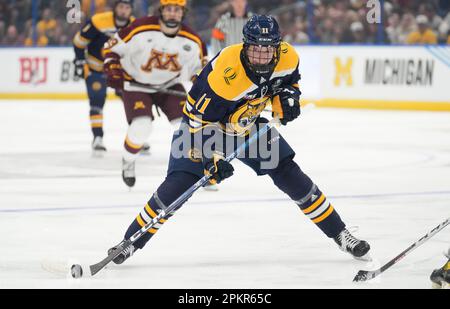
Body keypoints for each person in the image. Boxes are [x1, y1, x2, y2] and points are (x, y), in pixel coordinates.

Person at [107, 15, 372, 265]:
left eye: (268, 49)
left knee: (288, 172)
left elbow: (289, 83)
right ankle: (129, 242)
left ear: (278, 47)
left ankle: (341, 234)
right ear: (245, 45)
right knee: (179, 185)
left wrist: (289, 98)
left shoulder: (288, 57)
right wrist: (211, 160)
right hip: (198, 128)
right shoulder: (227, 75)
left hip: (246, 124)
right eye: (255, 48)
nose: (261, 55)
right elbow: (200, 122)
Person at [102, 0, 208, 188]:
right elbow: (110, 48)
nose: (173, 13)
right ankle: (128, 160)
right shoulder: (140, 28)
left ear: (183, 13)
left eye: (177, 10)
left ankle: (199, 171)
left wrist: (201, 85)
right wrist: (112, 67)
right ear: (161, 11)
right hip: (136, 84)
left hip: (170, 85)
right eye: (169, 9)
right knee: (142, 126)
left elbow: (200, 70)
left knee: (188, 126)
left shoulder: (192, 39)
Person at [73, 0, 137, 155]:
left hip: (119, 70)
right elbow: (79, 41)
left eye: (127, 8)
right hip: (96, 68)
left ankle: (136, 137)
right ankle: (97, 138)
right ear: (115, 8)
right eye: (121, 7)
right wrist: (80, 60)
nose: (123, 11)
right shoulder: (99, 21)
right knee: (97, 99)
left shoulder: (135, 26)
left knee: (132, 100)